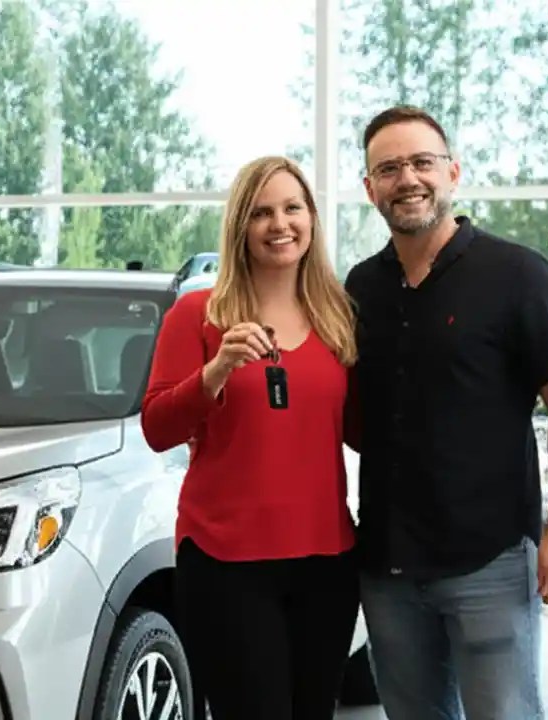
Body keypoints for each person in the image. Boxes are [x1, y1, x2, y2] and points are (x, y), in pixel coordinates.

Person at [343, 105, 548, 719]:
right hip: (386, 566)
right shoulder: (360, 287)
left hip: (489, 561)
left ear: (452, 172)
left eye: (422, 162)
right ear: (370, 188)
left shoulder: (517, 273)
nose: (408, 178)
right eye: (390, 167)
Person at [141, 155, 360, 720]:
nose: (279, 224)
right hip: (227, 562)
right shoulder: (197, 314)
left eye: (292, 207)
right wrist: (215, 371)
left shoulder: (337, 316)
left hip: (327, 560)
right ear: (240, 226)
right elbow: (158, 428)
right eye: (261, 212)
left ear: (312, 218)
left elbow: (364, 427)